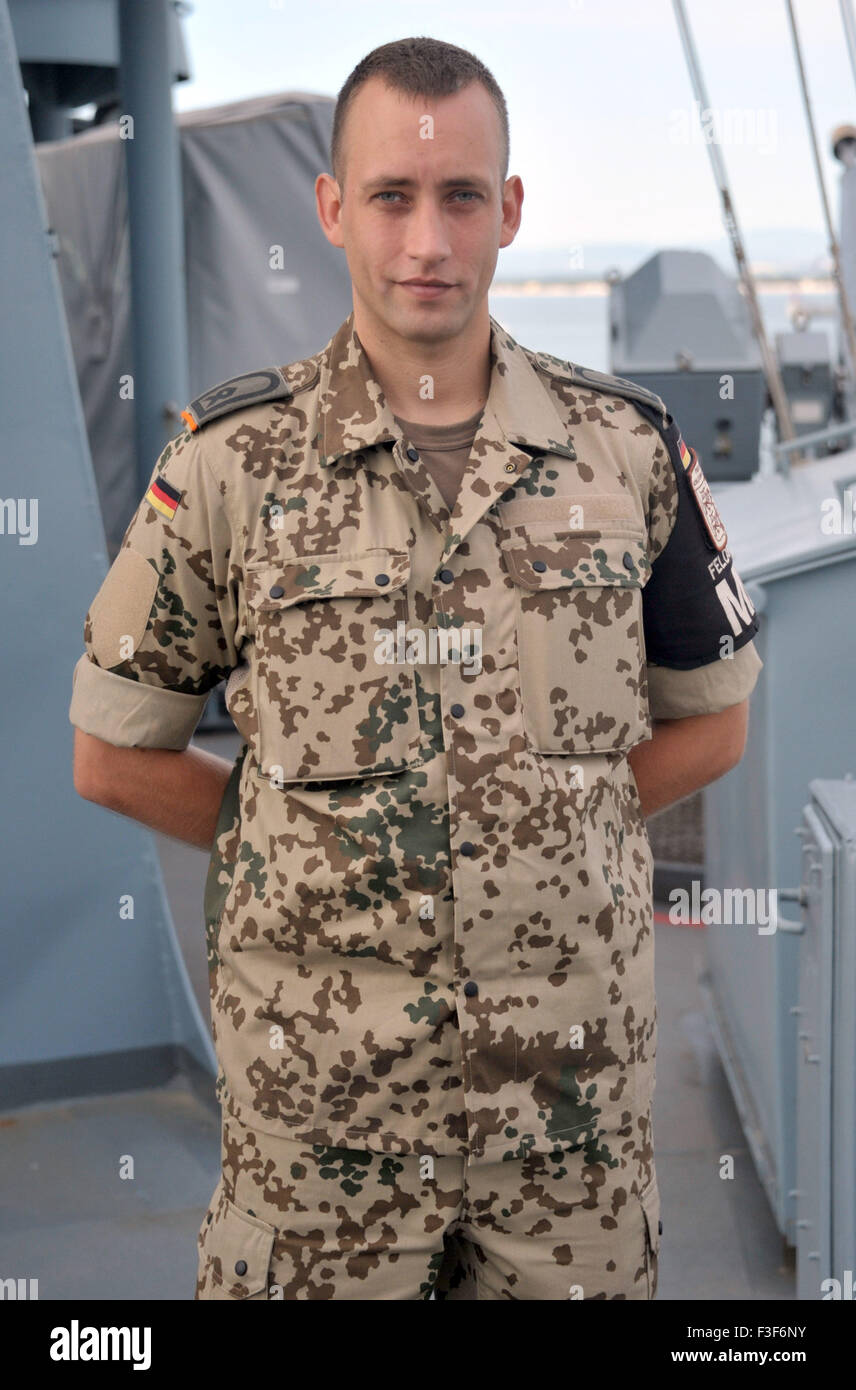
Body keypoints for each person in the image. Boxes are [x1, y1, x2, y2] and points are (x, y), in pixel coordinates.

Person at [69, 35, 762, 1300]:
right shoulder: (228, 465)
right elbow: (113, 753)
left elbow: (712, 723)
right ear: (332, 209)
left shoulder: (626, 450)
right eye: (391, 196)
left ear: (510, 209)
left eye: (460, 198)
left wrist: (551, 825)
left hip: (567, 1127)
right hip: (319, 1125)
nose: (427, 242)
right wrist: (295, 840)